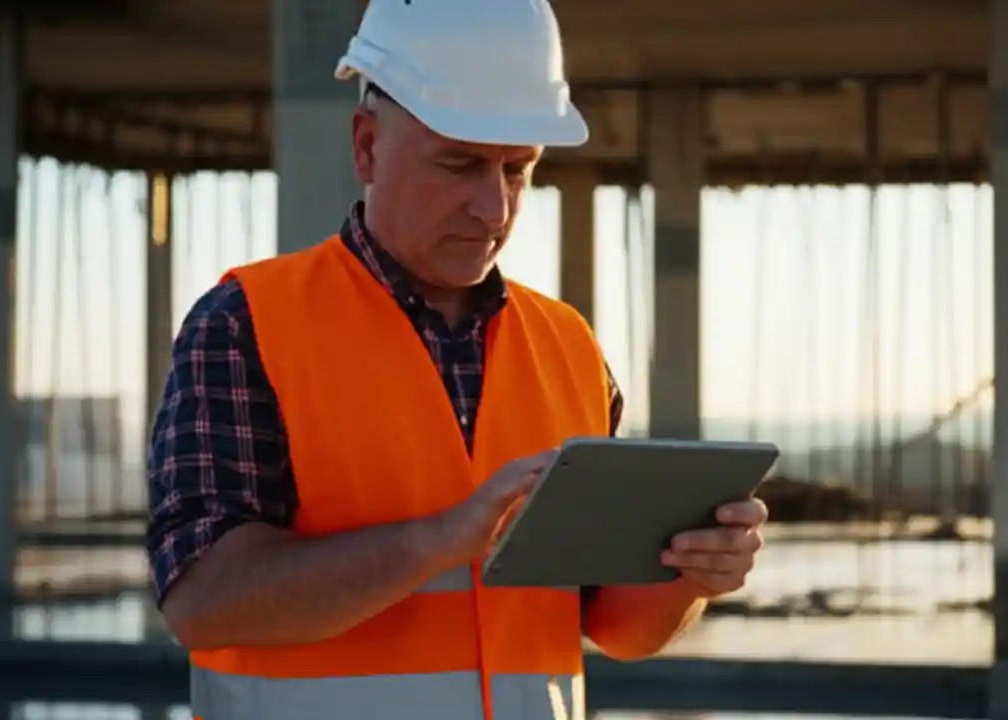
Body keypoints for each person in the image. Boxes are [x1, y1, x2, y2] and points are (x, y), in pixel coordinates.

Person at [145, 1, 767, 718]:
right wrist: (440, 540)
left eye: (517, 171)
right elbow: (203, 600)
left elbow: (609, 623)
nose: (494, 209)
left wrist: (688, 577)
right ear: (368, 146)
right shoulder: (245, 327)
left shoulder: (567, 346)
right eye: (461, 164)